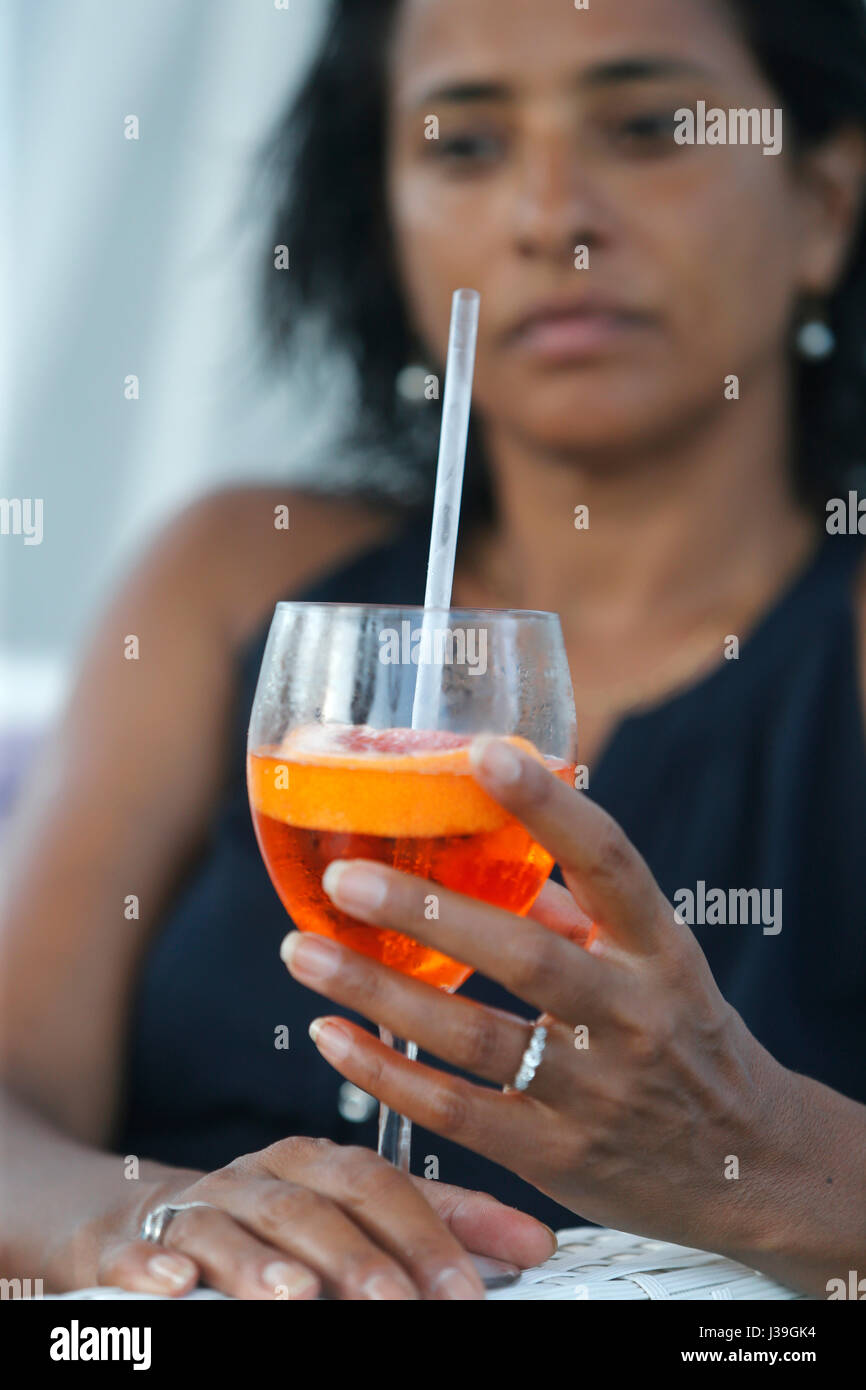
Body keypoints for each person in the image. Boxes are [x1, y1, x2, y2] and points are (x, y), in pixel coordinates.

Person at [2, 0, 866, 1300]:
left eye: (646, 126)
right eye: (462, 144)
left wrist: (759, 1154)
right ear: (386, 210)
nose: (549, 215)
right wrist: (139, 1221)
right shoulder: (231, 577)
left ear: (820, 202)